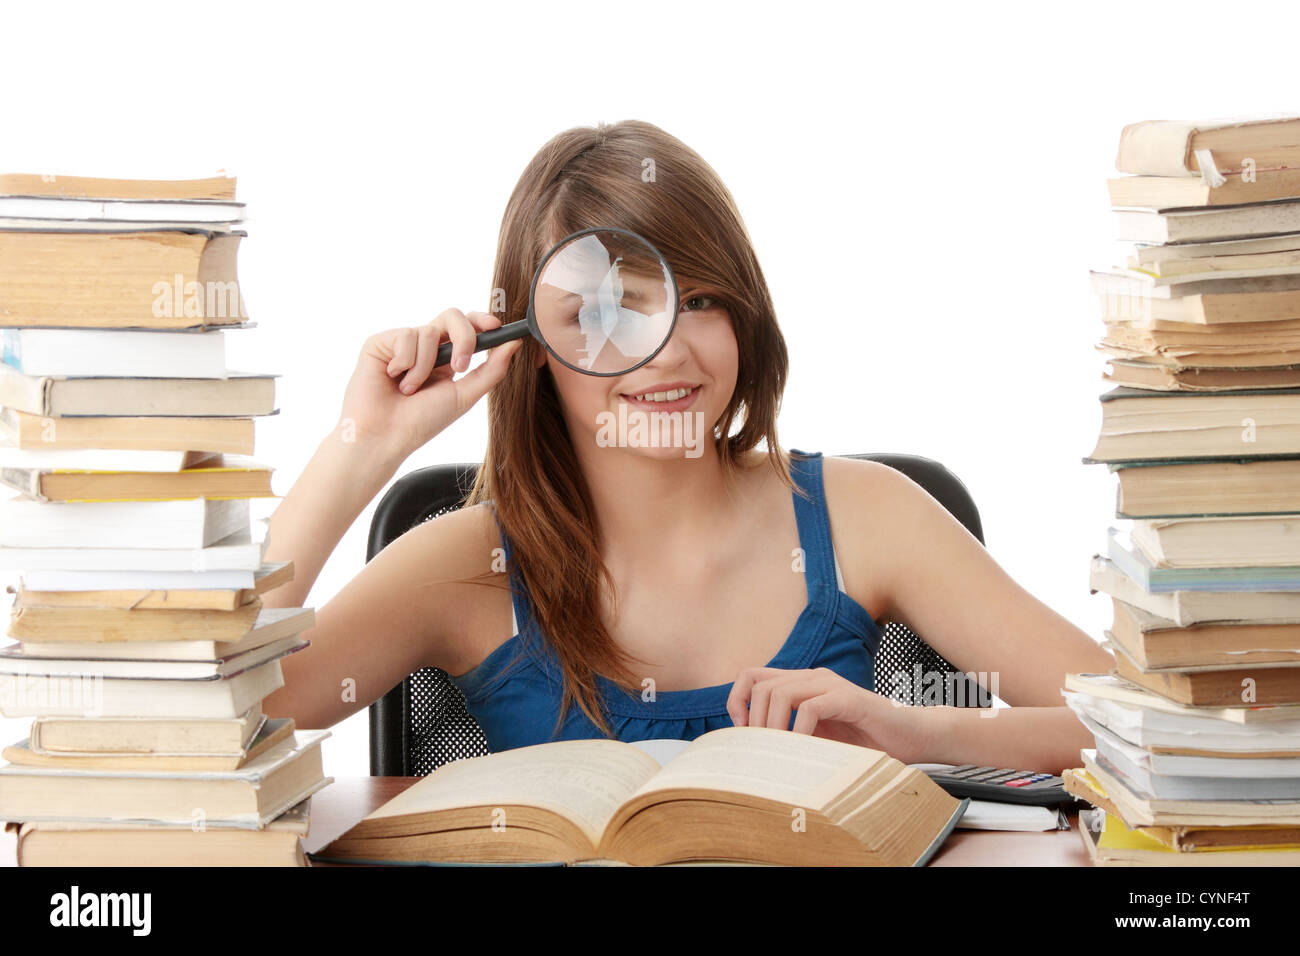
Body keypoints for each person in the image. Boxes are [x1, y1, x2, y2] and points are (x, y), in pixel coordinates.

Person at [260, 119, 1114, 775]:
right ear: (530, 343)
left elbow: (1139, 727)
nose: (665, 349)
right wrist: (360, 447)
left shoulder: (866, 515)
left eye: (697, 298)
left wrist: (919, 732)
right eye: (602, 311)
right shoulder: (465, 564)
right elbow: (225, 716)